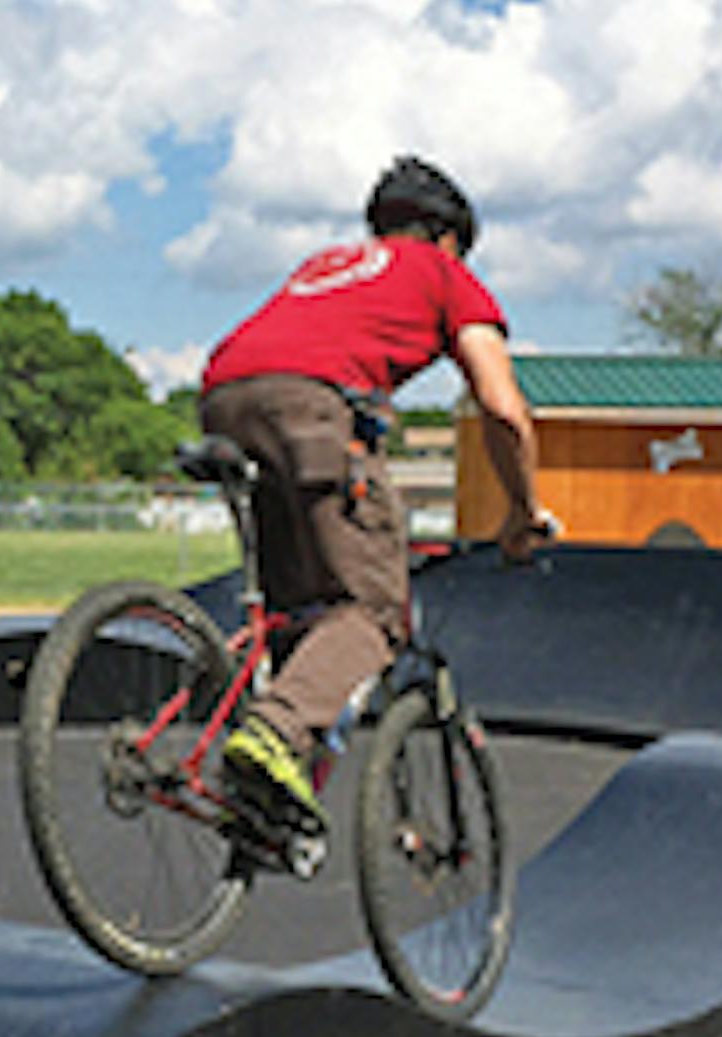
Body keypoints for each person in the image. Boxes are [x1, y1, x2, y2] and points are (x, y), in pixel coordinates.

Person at [198, 154, 553, 839]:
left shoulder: (325, 265)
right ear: (449, 239)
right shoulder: (446, 274)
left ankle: (266, 794)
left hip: (223, 394)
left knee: (305, 615)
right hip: (310, 405)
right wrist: (520, 512)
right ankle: (273, 731)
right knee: (374, 615)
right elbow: (504, 410)